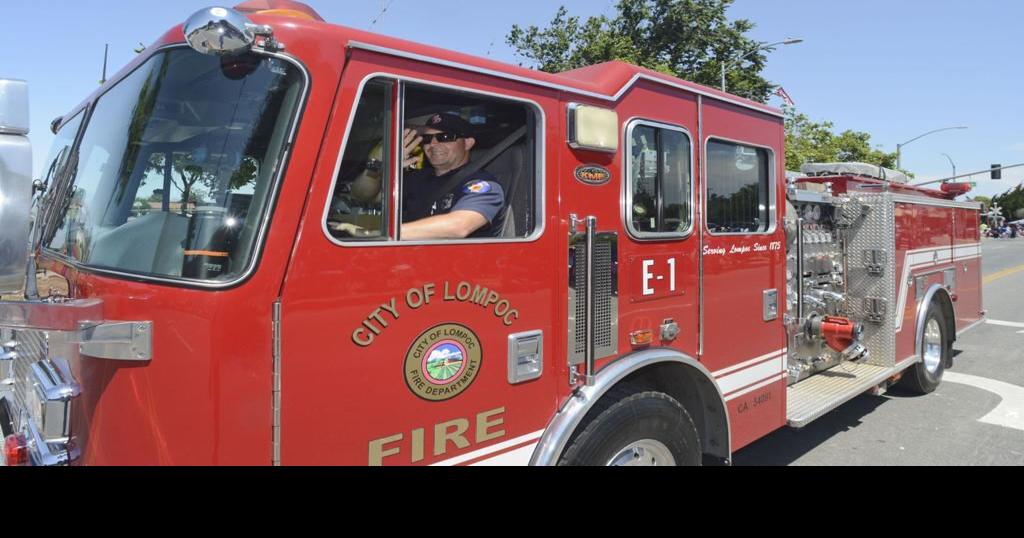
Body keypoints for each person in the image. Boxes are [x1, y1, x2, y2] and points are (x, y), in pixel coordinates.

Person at [335, 112, 505, 240]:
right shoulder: (418, 178)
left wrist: (380, 234)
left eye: (444, 137)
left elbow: (459, 226)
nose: (433, 144)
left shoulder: (482, 185)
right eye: (427, 139)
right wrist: (378, 165)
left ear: (468, 143)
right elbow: (364, 195)